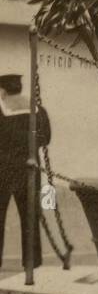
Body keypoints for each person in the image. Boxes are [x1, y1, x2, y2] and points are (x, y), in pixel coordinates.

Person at [0, 74, 50, 269]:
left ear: (3, 91)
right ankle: (32, 263)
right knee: (30, 218)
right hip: (29, 169)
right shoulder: (37, 110)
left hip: (2, 171)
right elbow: (46, 138)